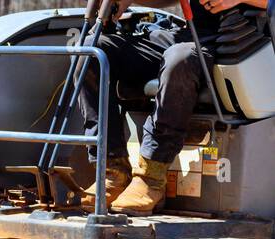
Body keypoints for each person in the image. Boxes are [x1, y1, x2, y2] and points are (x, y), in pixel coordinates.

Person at [79, 0, 267, 213]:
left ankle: (152, 177)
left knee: (179, 59)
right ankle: (112, 171)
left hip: (241, 39)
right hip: (192, 33)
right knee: (91, 51)